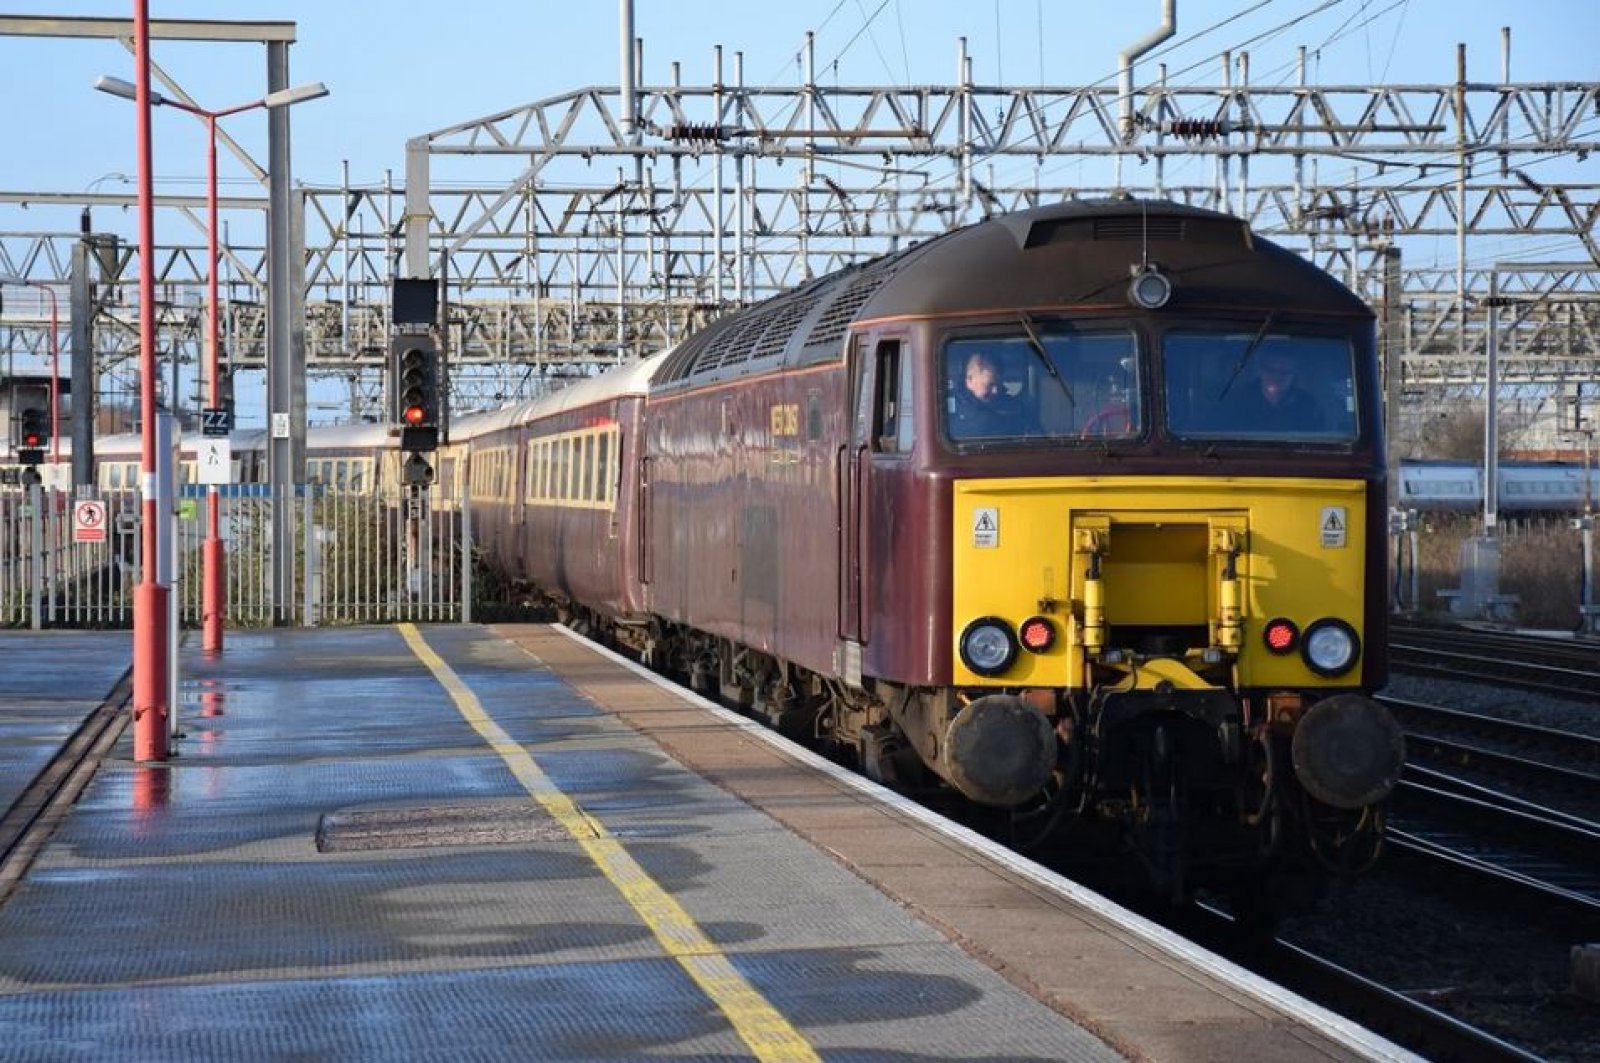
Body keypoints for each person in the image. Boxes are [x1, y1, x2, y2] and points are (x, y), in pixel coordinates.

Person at [1220, 350, 1324, 432]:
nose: (1277, 377)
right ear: (1261, 370)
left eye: (1285, 372)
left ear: (1294, 374)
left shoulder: (1306, 403)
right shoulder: (1237, 400)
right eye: (1271, 370)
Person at [949, 350, 1040, 438]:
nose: (995, 390)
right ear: (969, 381)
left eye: (998, 384)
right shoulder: (957, 411)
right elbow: (981, 427)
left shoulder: (1014, 406)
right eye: (989, 385)